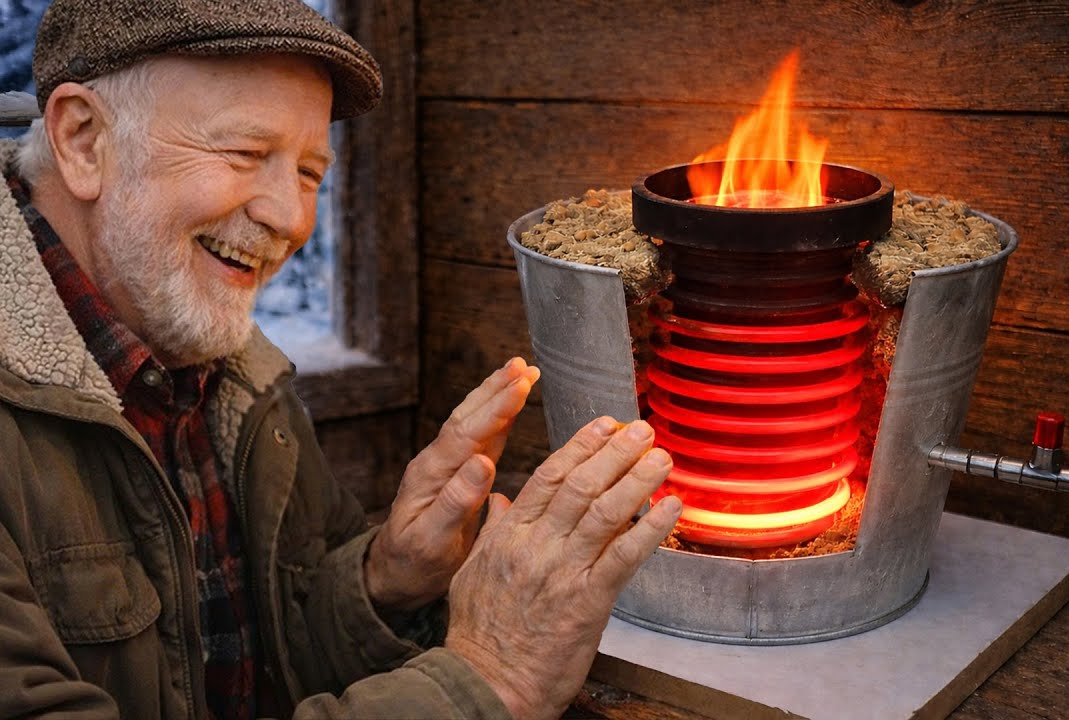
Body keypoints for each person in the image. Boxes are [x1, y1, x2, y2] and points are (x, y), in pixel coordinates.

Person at [0, 1, 682, 718]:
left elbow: (252, 681)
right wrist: (490, 679)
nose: (292, 219)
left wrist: (385, 581)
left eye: (308, 172)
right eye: (243, 154)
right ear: (82, 140)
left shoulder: (228, 374)